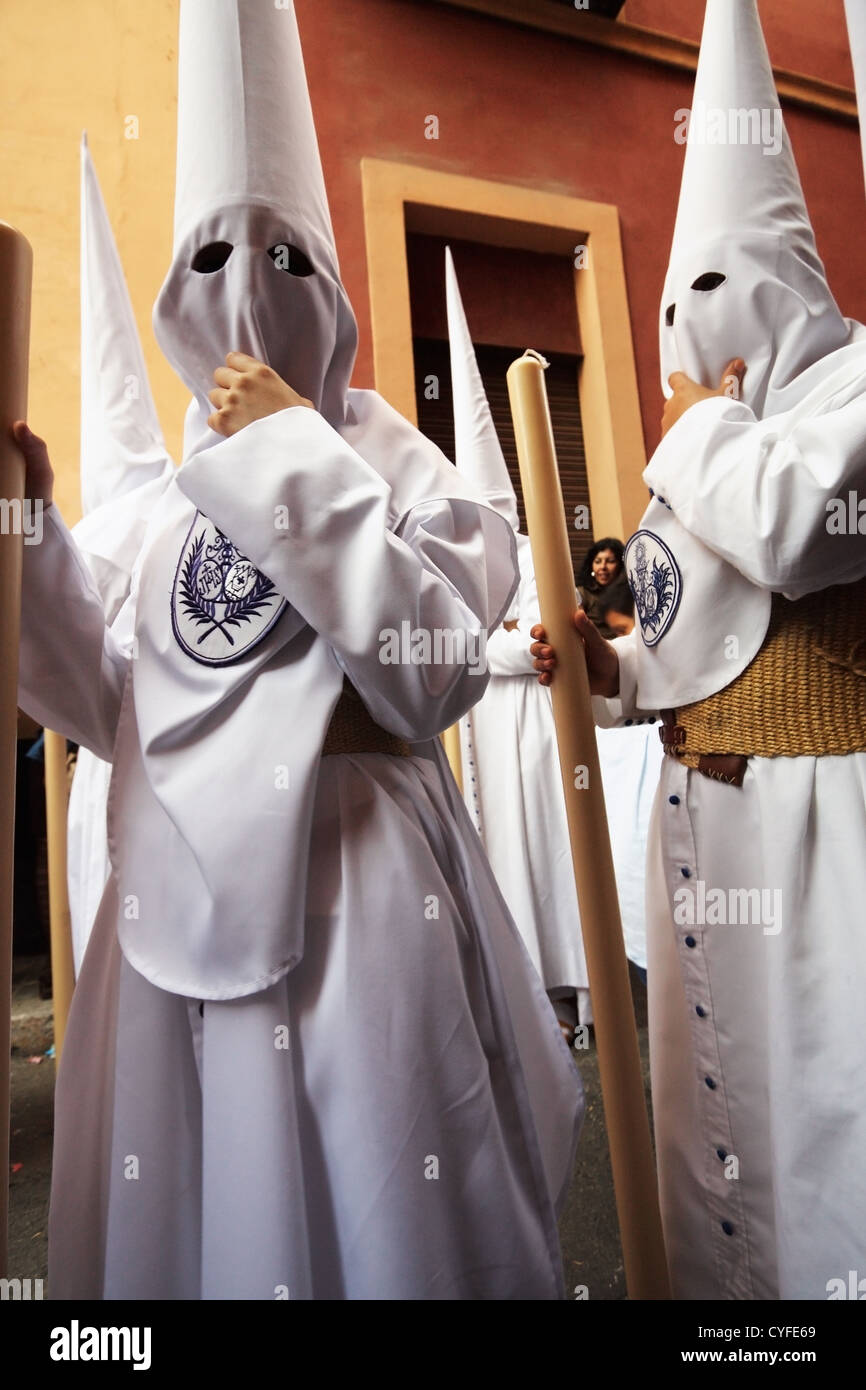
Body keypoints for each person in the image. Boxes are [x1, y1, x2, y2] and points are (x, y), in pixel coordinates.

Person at [15, 0, 583, 1300]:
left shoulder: (410, 473)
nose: (242, 296)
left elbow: (428, 665)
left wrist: (286, 452)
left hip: (369, 912)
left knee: (389, 1216)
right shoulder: (151, 513)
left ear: (331, 290)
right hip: (169, 932)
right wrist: (21, 525)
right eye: (208, 263)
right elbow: (91, 697)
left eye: (283, 264)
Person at [533, 0, 866, 1300]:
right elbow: (663, 648)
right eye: (674, 298)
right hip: (701, 841)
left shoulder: (843, 398)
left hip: (819, 843)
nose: (689, 323)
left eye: (716, 286)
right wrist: (594, 667)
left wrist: (688, 432)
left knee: (823, 1133)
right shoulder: (700, 454)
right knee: (709, 1157)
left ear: (786, 281)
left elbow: (794, 525)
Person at [446, 250, 592, 1040]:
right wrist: (501, 649)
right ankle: (521, 988)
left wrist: (510, 647)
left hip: (534, 727)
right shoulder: (450, 560)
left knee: (547, 842)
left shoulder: (540, 552)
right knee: (502, 849)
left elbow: (542, 627)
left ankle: (573, 983)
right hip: (482, 724)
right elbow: (459, 640)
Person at [577, 537, 633, 640]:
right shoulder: (582, 594)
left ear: (621, 565)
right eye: (598, 561)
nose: (603, 567)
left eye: (610, 561)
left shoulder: (630, 592)